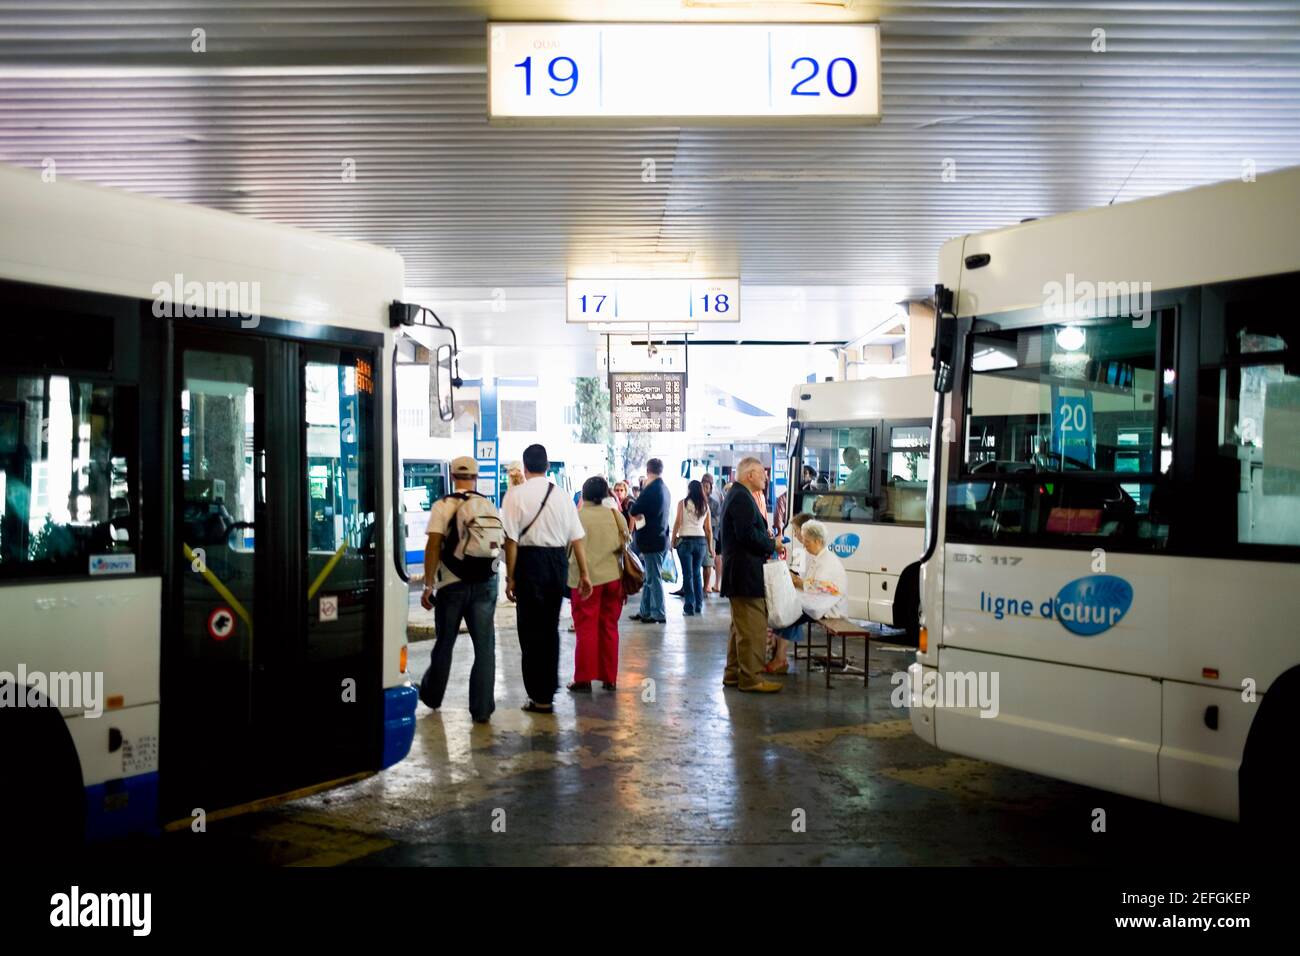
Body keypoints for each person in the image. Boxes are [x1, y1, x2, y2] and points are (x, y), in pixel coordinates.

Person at [502, 443, 593, 714]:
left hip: (528, 563)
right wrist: (585, 574)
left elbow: (511, 540)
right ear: (548, 465)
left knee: (529, 631)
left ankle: (536, 694)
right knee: (549, 628)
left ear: (525, 465)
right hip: (556, 564)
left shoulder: (515, 496)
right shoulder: (563, 496)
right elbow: (577, 539)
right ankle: (547, 694)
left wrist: (510, 577)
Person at [417, 456, 501, 724]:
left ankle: (432, 696)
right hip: (486, 583)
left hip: (452, 584)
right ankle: (482, 709)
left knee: (445, 642)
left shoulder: (444, 505)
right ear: (476, 477)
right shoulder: (488, 505)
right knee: (485, 647)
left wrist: (428, 584)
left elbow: (433, 546)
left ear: (453, 477)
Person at [719, 457, 784, 693]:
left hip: (740, 572)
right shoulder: (741, 498)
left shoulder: (738, 495)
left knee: (740, 627)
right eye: (761, 473)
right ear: (749, 475)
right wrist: (771, 545)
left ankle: (734, 674)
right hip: (745, 574)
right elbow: (747, 535)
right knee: (753, 628)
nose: (765, 477)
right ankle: (751, 678)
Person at [567, 476, 629, 692]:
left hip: (586, 581)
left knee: (586, 628)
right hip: (613, 579)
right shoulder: (615, 514)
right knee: (609, 627)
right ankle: (609, 678)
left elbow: (569, 546)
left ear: (583, 494)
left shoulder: (578, 516)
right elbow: (626, 540)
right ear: (606, 495)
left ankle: (583, 679)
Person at [766, 520, 849, 673]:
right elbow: (809, 582)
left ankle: (780, 658)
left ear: (818, 541)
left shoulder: (828, 561)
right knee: (784, 609)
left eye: (807, 542)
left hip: (829, 607)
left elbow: (821, 587)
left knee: (790, 615)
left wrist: (797, 582)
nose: (804, 546)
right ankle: (776, 653)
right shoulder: (817, 557)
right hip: (818, 601)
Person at [628, 457, 671, 624]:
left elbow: (635, 508)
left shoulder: (651, 489)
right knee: (649, 578)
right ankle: (645, 611)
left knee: (654, 578)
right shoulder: (664, 489)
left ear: (648, 470)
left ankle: (659, 613)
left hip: (652, 540)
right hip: (660, 538)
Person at [671, 479, 714, 617]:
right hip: (701, 541)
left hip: (685, 541)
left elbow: (678, 522)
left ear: (689, 490)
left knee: (687, 575)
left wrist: (672, 540)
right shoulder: (705, 505)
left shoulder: (682, 503)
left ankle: (689, 606)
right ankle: (699, 605)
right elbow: (708, 529)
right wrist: (711, 547)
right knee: (697, 574)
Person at [700, 473, 722, 594]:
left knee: (708, 562)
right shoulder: (696, 501)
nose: (704, 489)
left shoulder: (714, 503)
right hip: (698, 535)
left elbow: (717, 521)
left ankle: (707, 585)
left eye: (707, 486)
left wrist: (704, 521)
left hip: (711, 535)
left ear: (711, 488)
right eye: (703, 486)